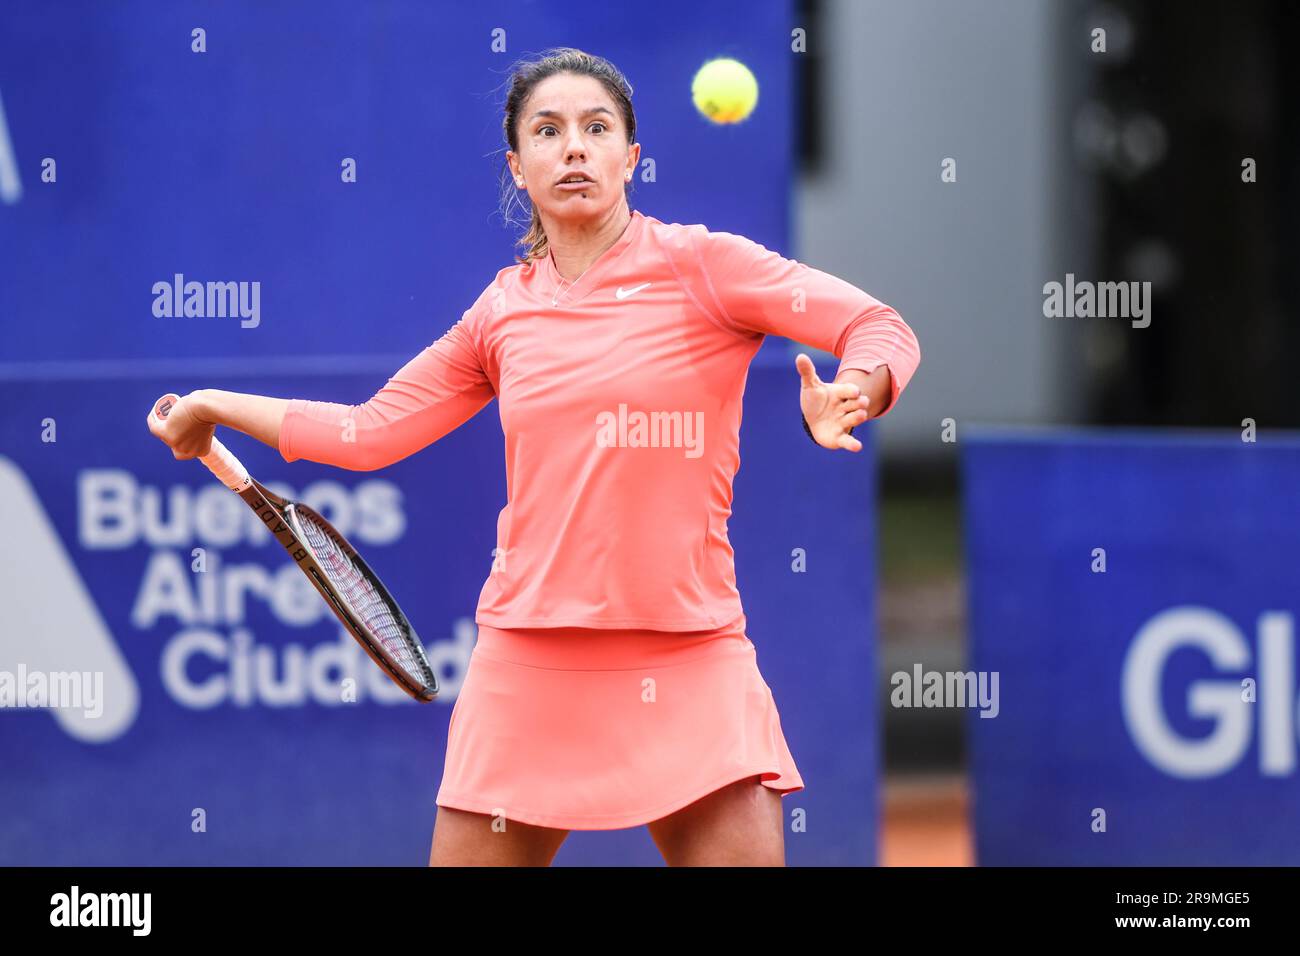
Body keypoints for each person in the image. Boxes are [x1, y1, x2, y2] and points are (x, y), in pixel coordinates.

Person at [147, 47, 921, 866]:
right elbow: (370, 431)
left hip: (691, 654)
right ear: (518, 167)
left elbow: (879, 328)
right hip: (527, 667)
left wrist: (859, 387)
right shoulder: (501, 313)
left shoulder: (706, 266)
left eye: (597, 128)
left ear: (632, 156)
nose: (575, 147)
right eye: (548, 132)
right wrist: (214, 405)